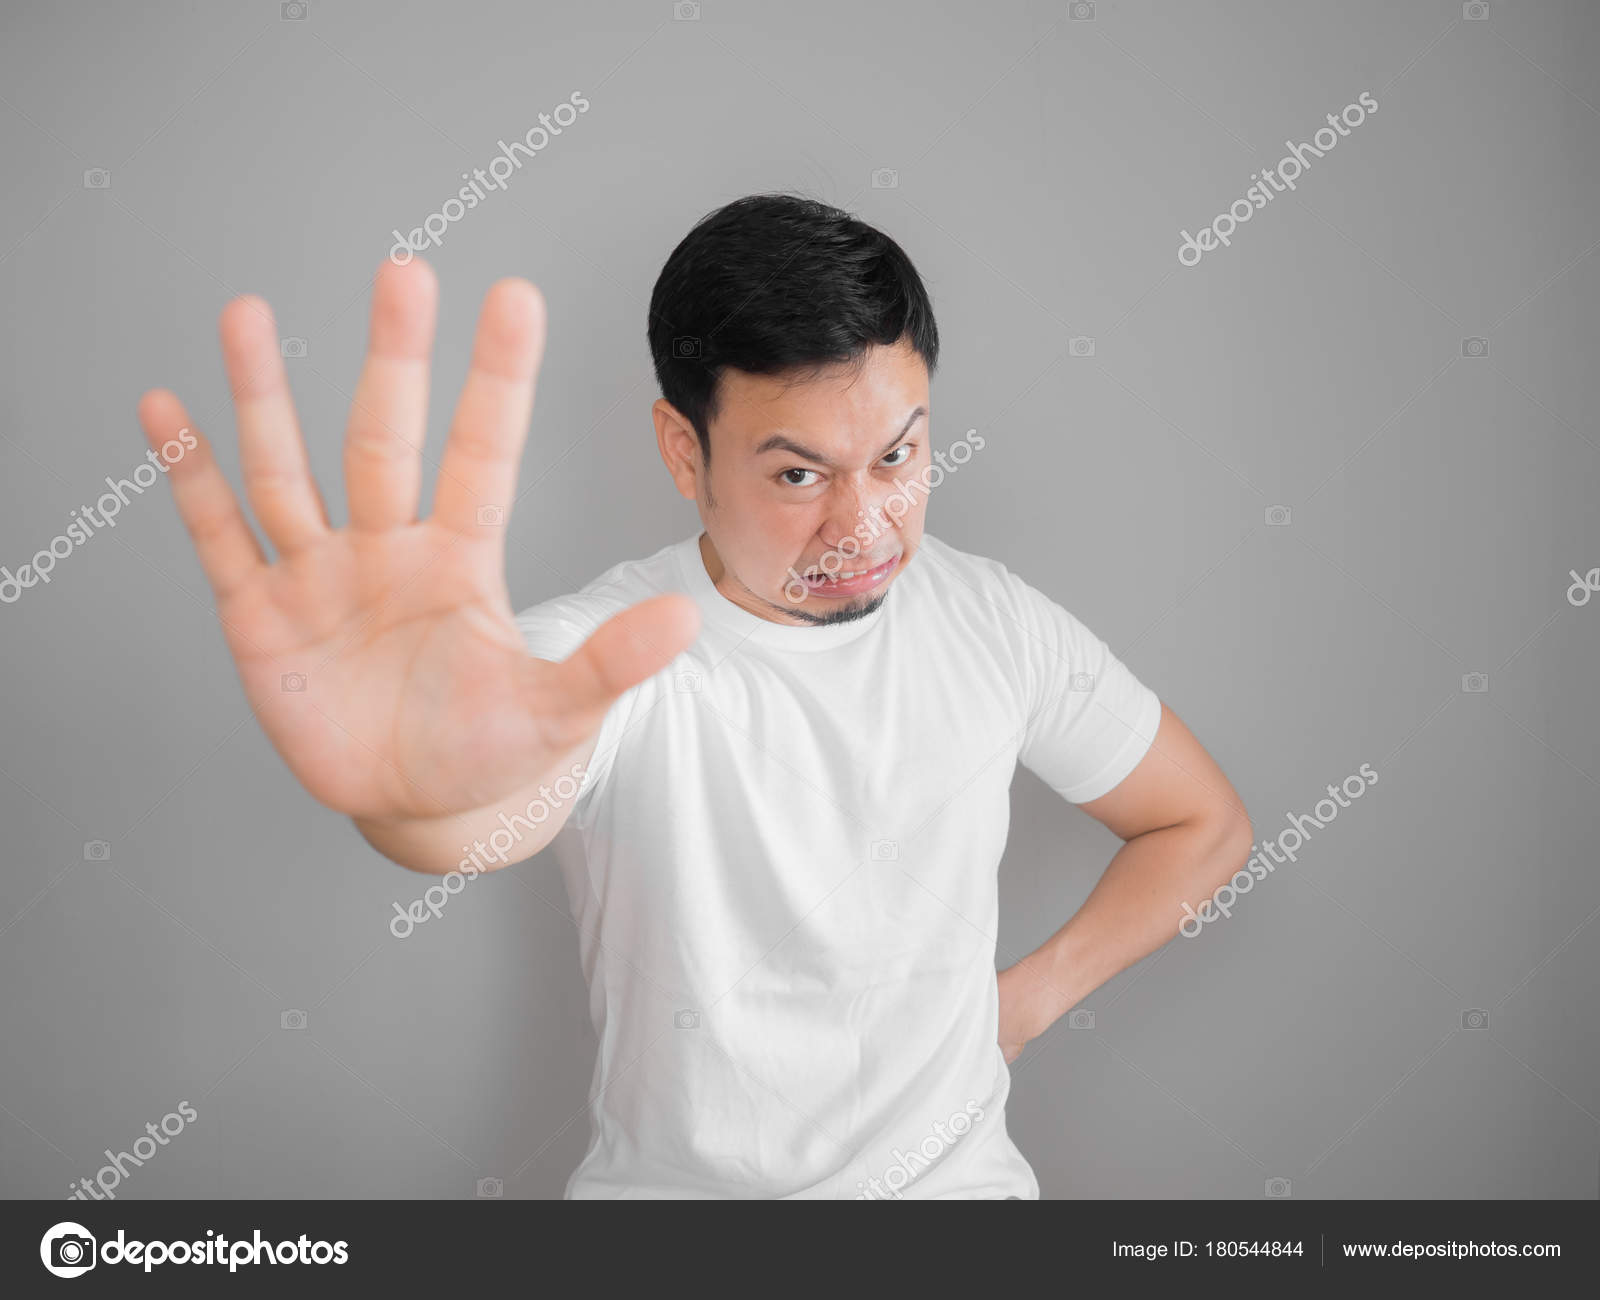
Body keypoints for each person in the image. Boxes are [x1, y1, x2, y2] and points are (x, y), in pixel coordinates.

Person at [137, 194, 1252, 1199]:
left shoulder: (993, 618)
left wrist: (1019, 1006)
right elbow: (471, 810)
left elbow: (1202, 825)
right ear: (684, 451)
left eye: (898, 456)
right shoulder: (603, 656)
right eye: (799, 474)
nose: (864, 525)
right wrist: (408, 786)